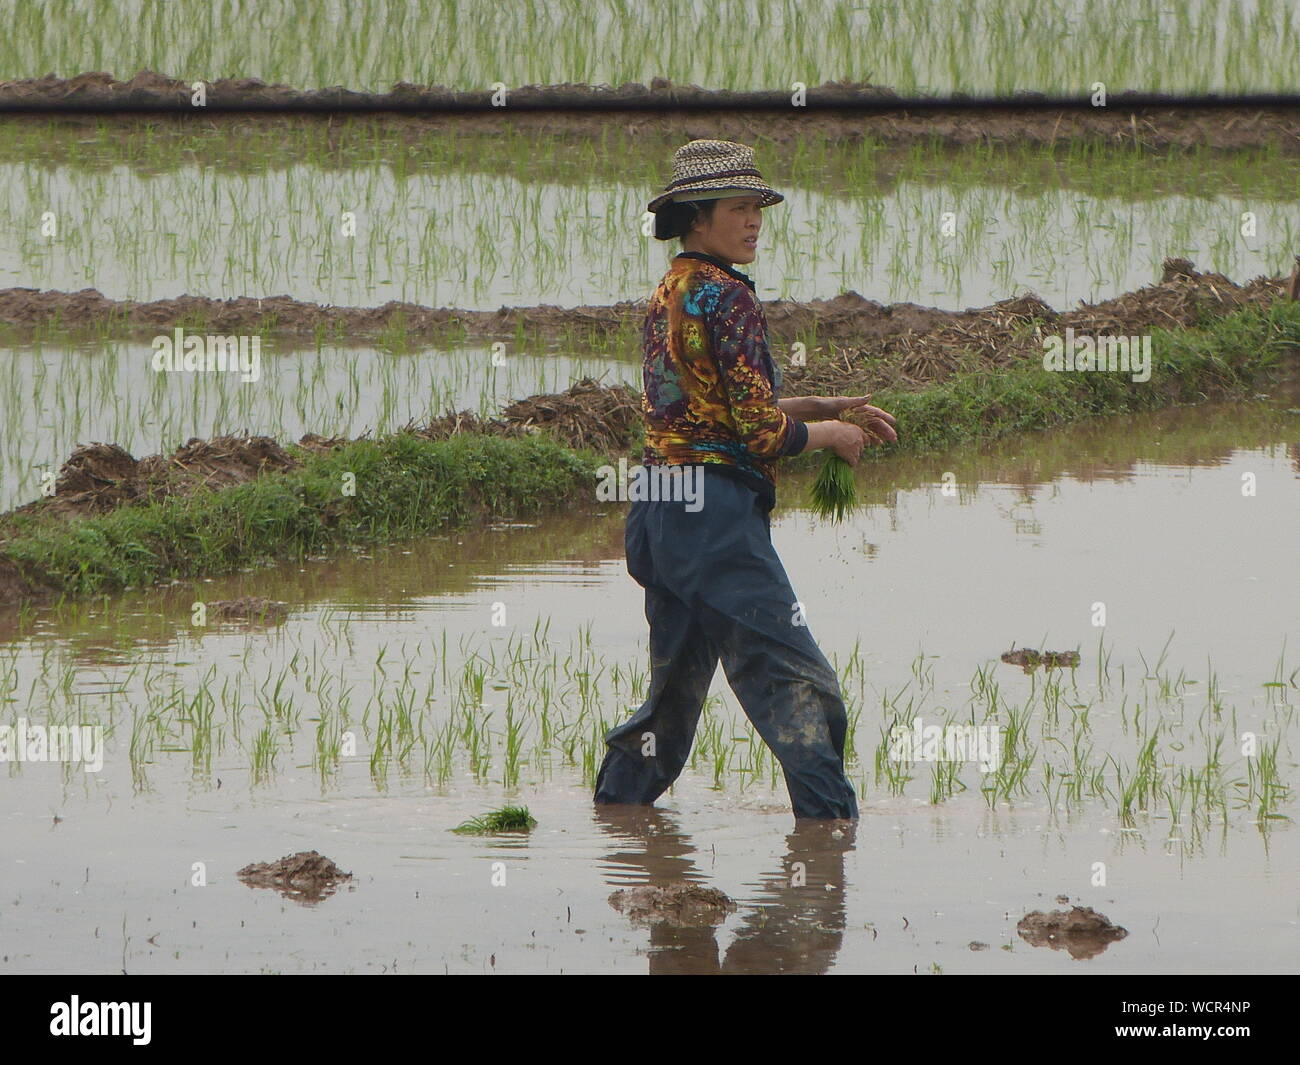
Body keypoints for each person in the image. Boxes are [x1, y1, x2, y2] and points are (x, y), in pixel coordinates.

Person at [593, 139, 898, 819]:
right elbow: (759, 435)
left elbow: (710, 416)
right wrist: (833, 436)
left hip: (660, 510)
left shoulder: (671, 291)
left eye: (759, 207)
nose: (754, 220)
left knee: (670, 705)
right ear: (696, 217)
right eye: (739, 207)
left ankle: (616, 821)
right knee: (800, 687)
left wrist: (819, 407)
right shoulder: (729, 298)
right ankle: (829, 841)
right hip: (714, 525)